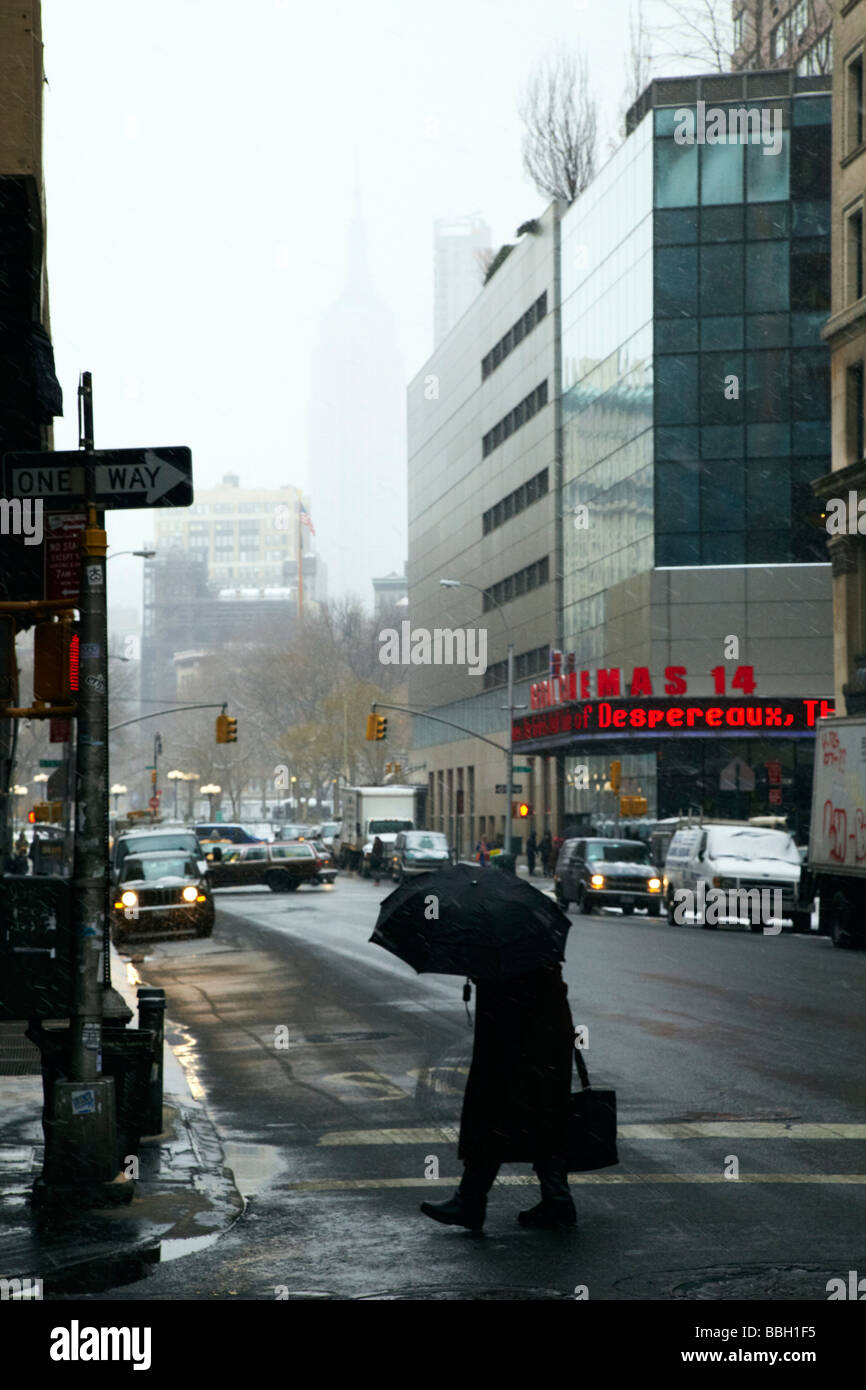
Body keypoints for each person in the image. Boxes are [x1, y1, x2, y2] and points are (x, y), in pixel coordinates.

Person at [420, 964, 577, 1232]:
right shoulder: (531, 950)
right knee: (542, 1118)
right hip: (542, 1042)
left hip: (514, 1044)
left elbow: (512, 1003)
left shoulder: (508, 966)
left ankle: (470, 1202)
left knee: (492, 1119)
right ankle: (557, 1201)